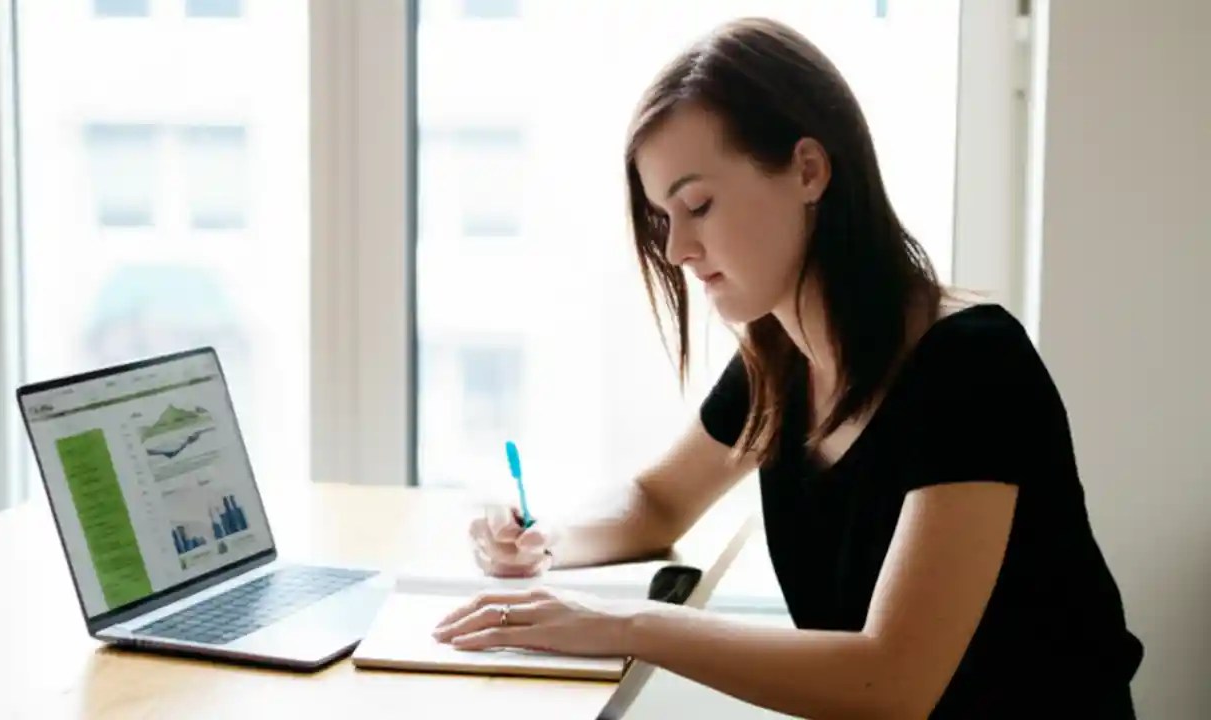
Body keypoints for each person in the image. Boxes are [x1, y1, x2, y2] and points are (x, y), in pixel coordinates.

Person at [432, 17, 1142, 719]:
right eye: (661, 220)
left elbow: (893, 681)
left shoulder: (971, 366)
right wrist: (542, 541)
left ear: (808, 170)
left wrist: (625, 626)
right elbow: (656, 503)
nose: (677, 248)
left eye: (697, 205)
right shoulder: (781, 364)